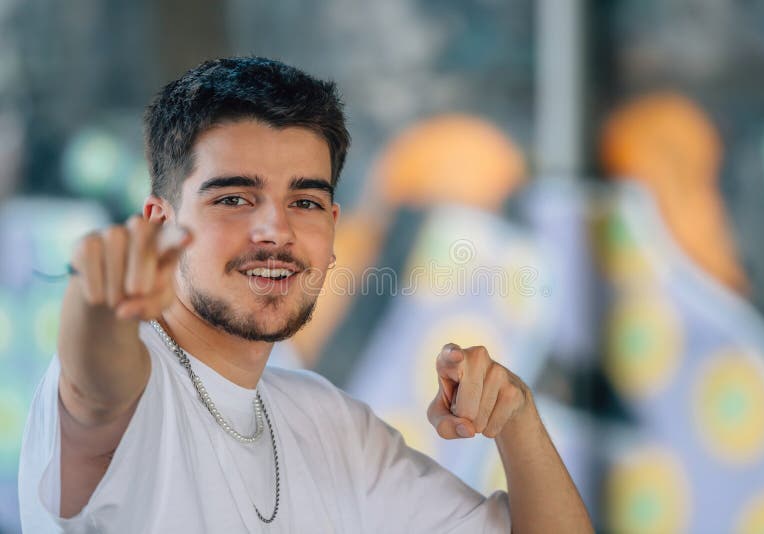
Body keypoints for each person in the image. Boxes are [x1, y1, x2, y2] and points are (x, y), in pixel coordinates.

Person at [18, 57, 593, 533]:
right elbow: (98, 380)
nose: (276, 230)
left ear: (334, 228)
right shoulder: (132, 392)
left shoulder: (331, 424)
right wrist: (101, 302)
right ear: (159, 223)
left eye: (306, 202)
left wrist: (516, 418)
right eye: (234, 199)